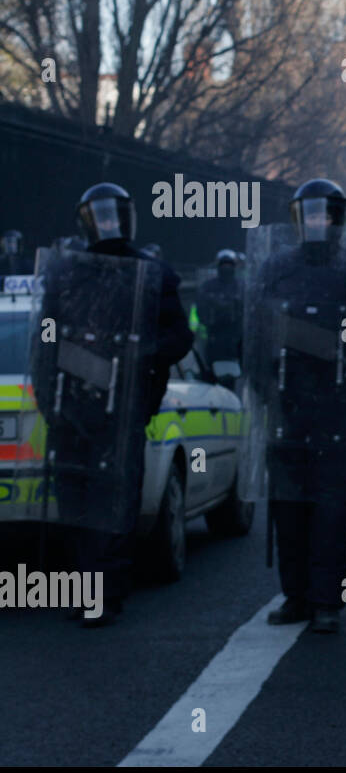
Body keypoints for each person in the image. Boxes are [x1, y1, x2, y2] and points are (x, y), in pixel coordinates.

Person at [31, 183, 193, 627]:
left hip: (123, 407)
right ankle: (84, 589)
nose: (107, 222)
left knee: (115, 502)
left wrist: (146, 352)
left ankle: (105, 593)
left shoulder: (154, 273)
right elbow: (45, 336)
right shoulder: (67, 274)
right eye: (98, 214)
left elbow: (181, 337)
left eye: (113, 213)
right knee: (75, 504)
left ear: (127, 215)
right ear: (85, 220)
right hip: (72, 407)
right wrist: (48, 397)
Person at [243, 179, 346, 634]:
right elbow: (258, 331)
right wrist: (265, 386)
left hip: (336, 408)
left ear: (338, 218)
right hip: (287, 405)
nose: (318, 222)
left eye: (326, 213)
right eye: (311, 213)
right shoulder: (276, 266)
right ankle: (296, 595)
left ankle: (326, 601)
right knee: (288, 508)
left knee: (330, 511)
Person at [190, 249, 243, 390]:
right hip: (213, 339)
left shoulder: (241, 287)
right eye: (224, 264)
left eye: (229, 264)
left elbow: (247, 311)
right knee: (210, 376)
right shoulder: (208, 287)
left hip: (235, 342)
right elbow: (200, 311)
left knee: (234, 377)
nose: (227, 267)